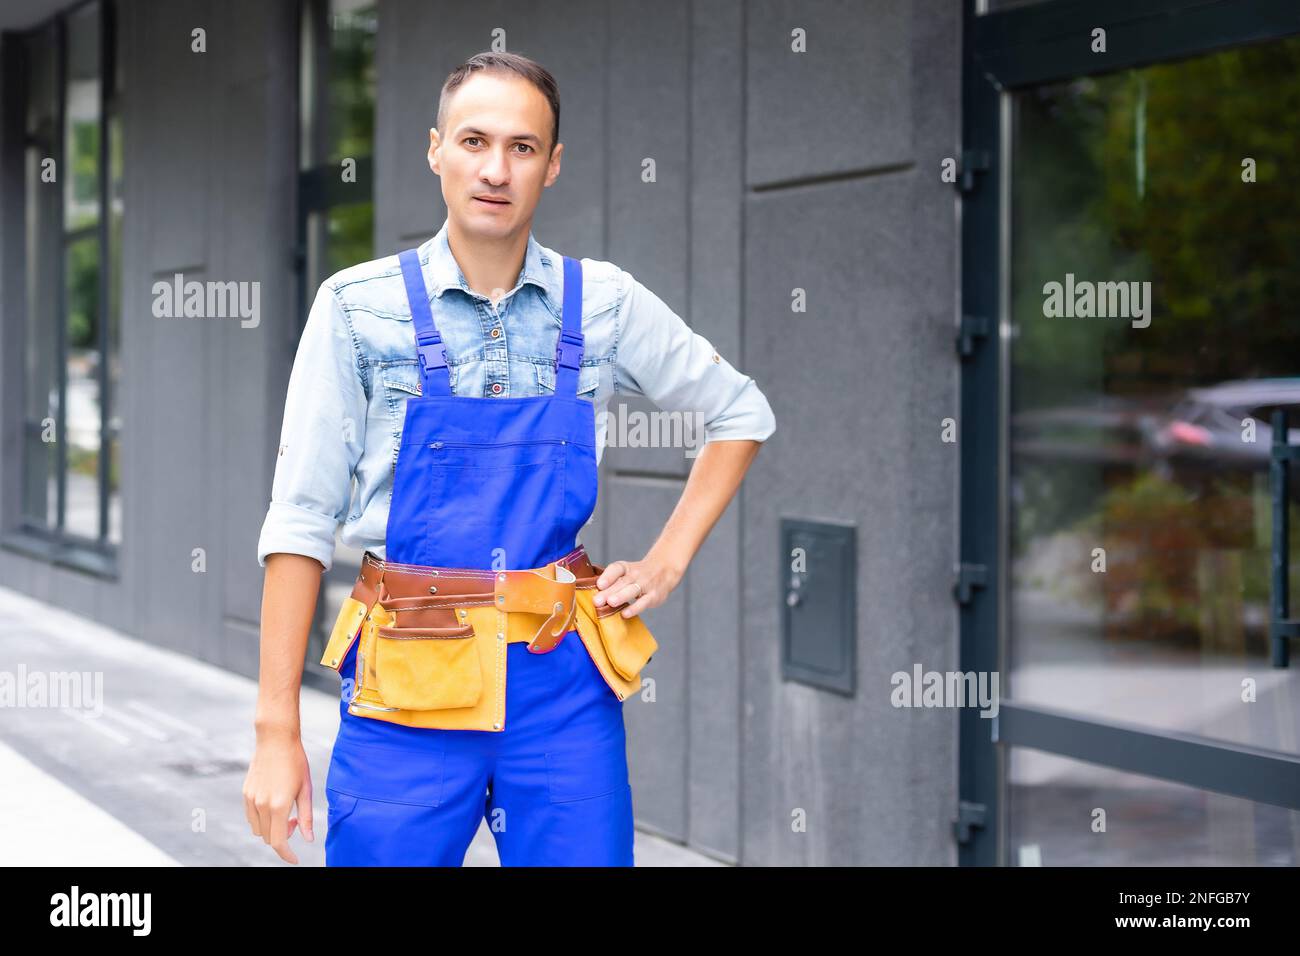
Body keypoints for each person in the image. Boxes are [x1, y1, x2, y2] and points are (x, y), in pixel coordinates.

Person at [242, 50, 775, 866]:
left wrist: (666, 564)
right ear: (435, 150)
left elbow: (741, 412)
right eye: (474, 141)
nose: (496, 169)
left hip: (560, 684)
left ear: (552, 165)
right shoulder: (356, 309)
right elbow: (301, 520)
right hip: (405, 690)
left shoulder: (602, 303)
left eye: (523, 148)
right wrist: (277, 734)